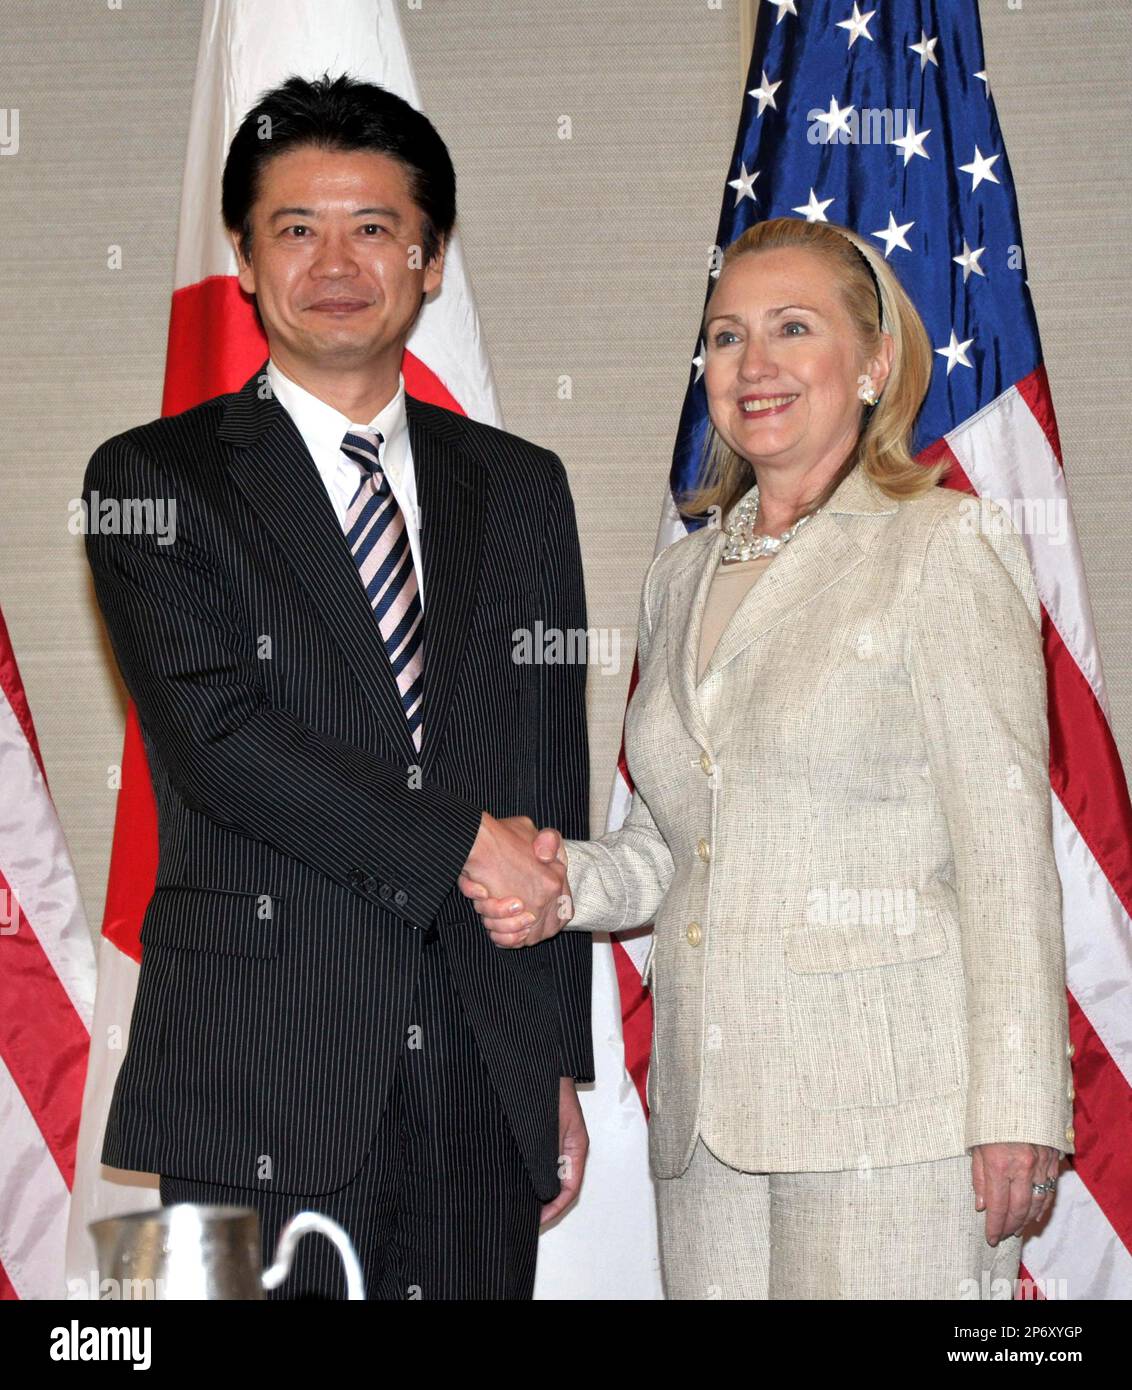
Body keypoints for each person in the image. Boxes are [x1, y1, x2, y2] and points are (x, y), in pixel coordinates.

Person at [463, 217, 1075, 1300]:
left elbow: (1003, 852)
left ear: (874, 361)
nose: (753, 365)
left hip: (902, 1120)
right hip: (707, 1130)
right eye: (726, 336)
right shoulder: (680, 577)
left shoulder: (943, 544)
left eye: (793, 328)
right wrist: (561, 882)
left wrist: (1020, 1107)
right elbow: (669, 842)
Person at [84, 72, 591, 1301]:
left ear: (427, 260)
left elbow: (546, 775)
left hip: (480, 1072)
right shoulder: (150, 476)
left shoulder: (522, 485)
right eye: (294, 229)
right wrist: (463, 839)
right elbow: (221, 739)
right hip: (249, 1072)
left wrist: (554, 1059)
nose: (335, 262)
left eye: (374, 228)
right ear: (246, 263)